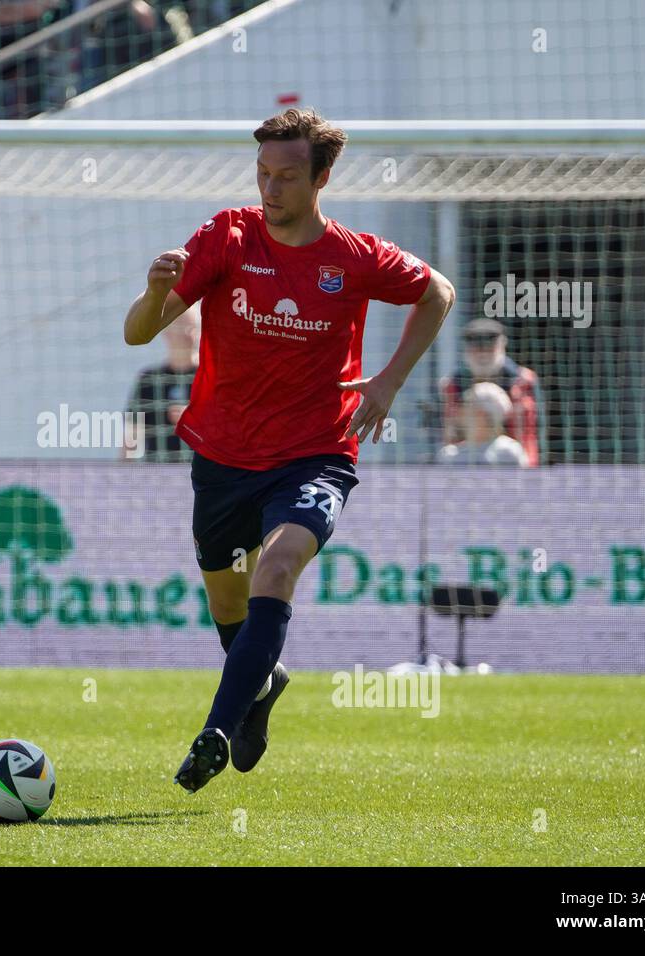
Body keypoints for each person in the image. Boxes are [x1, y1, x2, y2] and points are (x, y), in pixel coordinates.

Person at [123, 108, 455, 793]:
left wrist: (389, 381)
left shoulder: (356, 258)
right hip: (222, 452)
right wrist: (157, 291)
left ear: (322, 178)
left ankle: (215, 729)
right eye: (262, 174)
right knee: (228, 607)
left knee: (277, 568)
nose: (270, 189)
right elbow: (136, 334)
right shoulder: (227, 235)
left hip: (316, 452)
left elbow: (438, 293)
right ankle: (261, 683)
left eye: (287, 176)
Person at [440, 317, 541, 467]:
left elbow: (532, 433)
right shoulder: (452, 385)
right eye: (476, 347)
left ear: (501, 345)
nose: (482, 354)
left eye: (489, 346)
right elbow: (448, 433)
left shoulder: (523, 382)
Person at [123, 302, 198, 462]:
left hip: (202, 477)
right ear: (166, 332)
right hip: (159, 477)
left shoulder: (212, 377)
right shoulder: (149, 380)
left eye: (193, 327)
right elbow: (132, 439)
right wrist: (120, 481)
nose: (188, 334)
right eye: (182, 327)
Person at [437, 381, 529, 467]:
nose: (460, 409)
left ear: (481, 413)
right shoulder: (448, 455)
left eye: (466, 403)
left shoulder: (510, 452)